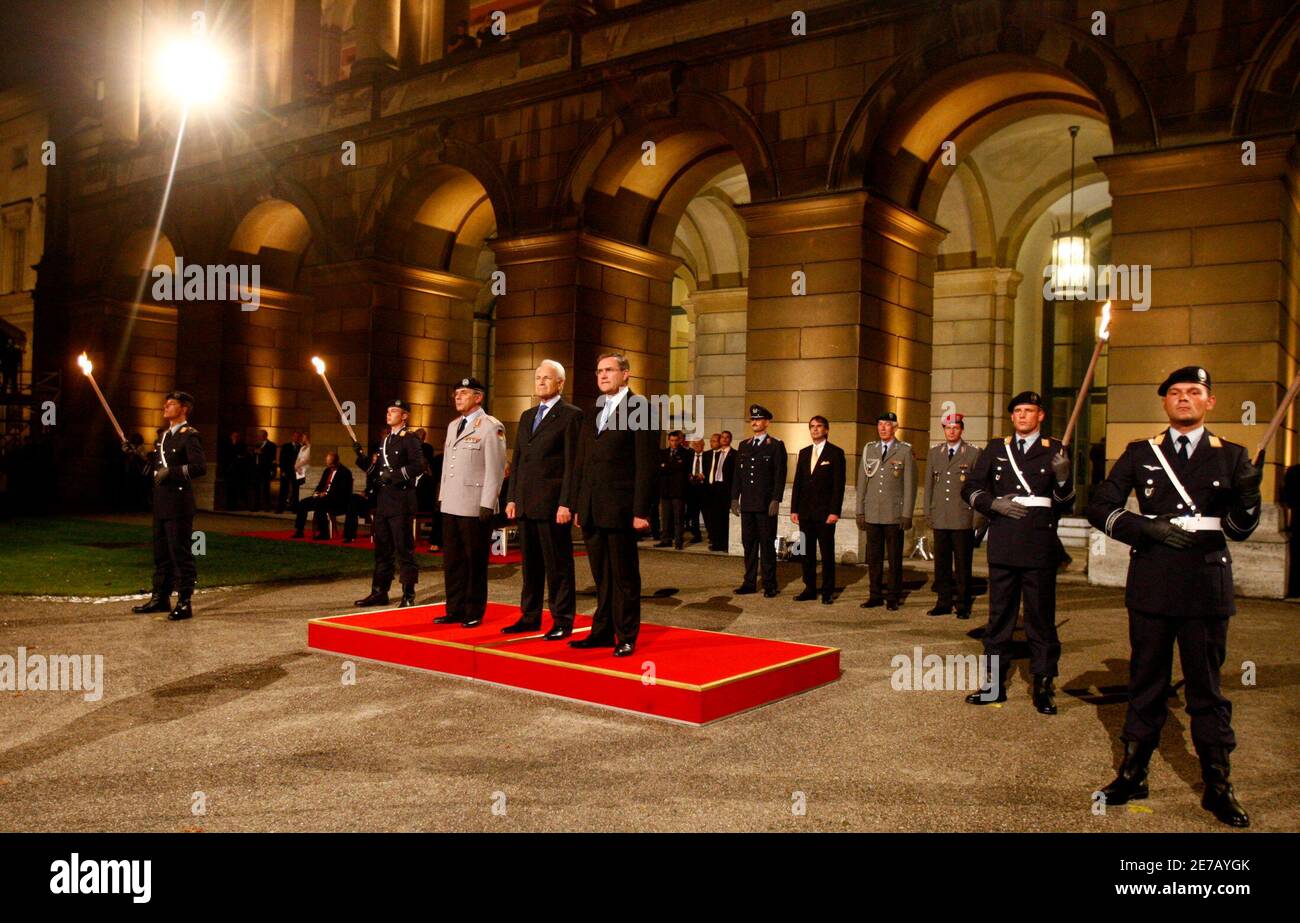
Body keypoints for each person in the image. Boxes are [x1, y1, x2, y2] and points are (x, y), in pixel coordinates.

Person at [1086, 366, 1261, 827]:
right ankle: (1132, 771)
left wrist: (1248, 498)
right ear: (1165, 403)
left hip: (1205, 583)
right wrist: (1145, 526)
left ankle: (1218, 783)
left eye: (1194, 392)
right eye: (1176, 393)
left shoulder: (1233, 456)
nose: (1184, 399)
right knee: (1146, 681)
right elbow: (1099, 505)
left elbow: (1240, 532)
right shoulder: (1141, 453)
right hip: (1154, 578)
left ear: (1210, 402)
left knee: (1206, 688)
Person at [961, 391, 1074, 713]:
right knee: (1000, 618)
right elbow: (969, 488)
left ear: (1040, 416)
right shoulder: (998, 448)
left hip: (1039, 542)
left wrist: (1064, 479)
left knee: (1040, 618)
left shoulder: (1055, 449)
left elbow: (1065, 505)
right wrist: (992, 503)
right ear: (1012, 417)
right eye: (1018, 411)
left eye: (1030, 411)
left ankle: (1043, 684)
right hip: (1004, 541)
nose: (1023, 416)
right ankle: (994, 684)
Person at [570, 353, 657, 657]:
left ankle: (627, 634)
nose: (603, 375)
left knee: (624, 576)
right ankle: (602, 631)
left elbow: (645, 464)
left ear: (626, 375)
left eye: (609, 370)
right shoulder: (594, 408)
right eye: (599, 371)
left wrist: (640, 511)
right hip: (593, 507)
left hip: (621, 508)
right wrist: (580, 504)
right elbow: (583, 461)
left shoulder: (641, 407)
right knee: (601, 576)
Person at [503, 360, 583, 639]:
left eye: (547, 378)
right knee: (531, 566)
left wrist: (567, 503)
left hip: (553, 505)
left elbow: (573, 464)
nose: (540, 382)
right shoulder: (527, 416)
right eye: (538, 378)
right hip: (525, 502)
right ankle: (530, 616)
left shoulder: (571, 415)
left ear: (560, 383)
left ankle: (562, 619)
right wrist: (512, 497)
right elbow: (519, 461)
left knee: (558, 566)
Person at [125, 391, 206, 621]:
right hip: (161, 503)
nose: (165, 406)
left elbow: (199, 467)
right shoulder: (163, 438)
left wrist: (172, 472)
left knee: (180, 553)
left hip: (179, 504)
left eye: (171, 404)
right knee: (161, 554)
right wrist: (134, 455)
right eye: (166, 403)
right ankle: (160, 597)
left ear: (184, 409)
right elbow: (152, 471)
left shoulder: (189, 436)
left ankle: (184, 601)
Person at [434, 378, 506, 627]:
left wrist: (488, 502)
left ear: (478, 397)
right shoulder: (453, 425)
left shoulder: (490, 426)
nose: (458, 397)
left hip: (475, 504)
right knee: (452, 560)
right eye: (456, 393)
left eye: (464, 393)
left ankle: (474, 610)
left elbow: (495, 469)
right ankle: (454, 608)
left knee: (474, 561)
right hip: (452, 502)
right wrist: (442, 497)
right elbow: (447, 467)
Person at [353, 400, 425, 608]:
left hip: (401, 502)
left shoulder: (409, 439)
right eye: (388, 410)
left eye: (394, 411)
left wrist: (393, 475)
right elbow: (376, 473)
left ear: (404, 416)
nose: (389, 414)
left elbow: (418, 466)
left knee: (404, 550)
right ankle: (379, 591)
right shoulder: (385, 442)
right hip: (384, 502)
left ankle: (408, 594)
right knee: (382, 550)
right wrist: (361, 457)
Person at [855, 412, 917, 611]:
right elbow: (862, 483)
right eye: (880, 424)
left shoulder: (904, 451)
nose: (882, 428)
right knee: (873, 558)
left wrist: (907, 513)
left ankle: (893, 596)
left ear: (895, 427)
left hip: (893, 513)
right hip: (872, 511)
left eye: (887, 424)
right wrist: (859, 511)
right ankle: (875, 594)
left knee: (894, 558)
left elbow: (910, 485)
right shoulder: (869, 449)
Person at [924, 412, 981, 618]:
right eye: (948, 428)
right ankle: (943, 602)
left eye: (955, 428)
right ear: (944, 430)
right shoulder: (934, 452)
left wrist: (977, 517)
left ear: (961, 430)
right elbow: (929, 485)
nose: (951, 431)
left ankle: (963, 604)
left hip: (962, 516)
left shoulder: (973, 453)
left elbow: (978, 487)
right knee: (941, 563)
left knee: (963, 564)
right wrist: (927, 511)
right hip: (940, 515)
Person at [731, 404, 786, 597]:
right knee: (749, 544)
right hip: (748, 504)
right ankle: (749, 582)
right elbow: (737, 475)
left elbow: (780, 474)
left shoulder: (776, 445)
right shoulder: (744, 445)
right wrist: (734, 498)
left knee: (767, 544)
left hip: (765, 505)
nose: (754, 422)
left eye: (758, 419)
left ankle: (770, 584)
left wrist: (776, 499)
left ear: (767, 422)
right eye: (752, 419)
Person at [790, 415, 845, 604]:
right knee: (806, 552)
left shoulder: (835, 453)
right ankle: (810, 587)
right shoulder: (804, 452)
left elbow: (839, 485)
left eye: (819, 426)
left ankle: (828, 590)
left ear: (826, 430)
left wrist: (835, 511)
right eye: (812, 426)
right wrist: (794, 509)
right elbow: (798, 482)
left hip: (825, 514)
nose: (815, 429)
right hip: (805, 513)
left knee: (827, 552)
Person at [293, 451, 353, 538]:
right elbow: (321, 485)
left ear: (337, 462)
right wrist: (316, 492)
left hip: (336, 500)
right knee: (303, 503)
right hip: (322, 497)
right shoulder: (327, 470)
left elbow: (342, 491)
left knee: (320, 505)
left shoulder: (345, 472)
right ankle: (299, 531)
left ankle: (324, 533)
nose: (329, 467)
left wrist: (326, 494)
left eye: (331, 465)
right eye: (328, 464)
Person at [656, 430, 690, 548]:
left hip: (678, 491)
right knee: (666, 517)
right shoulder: (663, 453)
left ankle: (678, 541)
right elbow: (659, 469)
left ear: (679, 440)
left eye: (676, 440)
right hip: (665, 490)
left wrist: (667, 466)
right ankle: (666, 539)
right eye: (671, 440)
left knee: (678, 517)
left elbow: (681, 468)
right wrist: (670, 466)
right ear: (668, 440)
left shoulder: (685, 453)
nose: (674, 443)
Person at [343, 448, 380, 543]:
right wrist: (365, 492)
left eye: (375, 459)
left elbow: (379, 487)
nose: (373, 460)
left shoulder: (380, 470)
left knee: (354, 501)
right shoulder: (371, 471)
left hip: (378, 501)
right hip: (369, 499)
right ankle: (349, 535)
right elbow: (370, 486)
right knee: (352, 500)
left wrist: (368, 494)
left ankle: (350, 535)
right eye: (373, 458)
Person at [707, 430, 736, 550]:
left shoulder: (735, 454)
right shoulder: (717, 454)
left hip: (727, 488)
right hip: (716, 487)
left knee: (725, 518)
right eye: (722, 437)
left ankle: (725, 544)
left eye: (727, 437)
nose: (724, 439)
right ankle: (717, 542)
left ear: (730, 440)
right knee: (716, 517)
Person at [685, 438, 707, 543]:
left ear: (703, 445)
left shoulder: (708, 456)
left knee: (706, 513)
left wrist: (704, 476)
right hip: (692, 488)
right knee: (693, 513)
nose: (697, 446)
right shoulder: (689, 456)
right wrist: (689, 476)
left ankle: (711, 535)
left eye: (699, 444)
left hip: (704, 488)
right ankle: (696, 535)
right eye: (695, 445)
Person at [221, 430, 248, 510]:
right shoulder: (226, 444)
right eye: (234, 436)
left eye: (237, 436)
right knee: (228, 488)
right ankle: (228, 505)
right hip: (229, 469)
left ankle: (234, 505)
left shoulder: (241, 445)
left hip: (238, 470)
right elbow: (225, 455)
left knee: (236, 488)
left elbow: (243, 455)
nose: (235, 437)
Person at [252, 429, 276, 511]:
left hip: (265, 469)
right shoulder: (257, 444)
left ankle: (266, 506)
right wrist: (255, 452)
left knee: (266, 488)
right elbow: (253, 455)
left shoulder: (271, 445)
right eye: (258, 435)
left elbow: (272, 457)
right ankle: (256, 506)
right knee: (256, 488)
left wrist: (261, 453)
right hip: (256, 469)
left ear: (265, 436)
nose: (259, 437)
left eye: (260, 435)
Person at [277, 431, 300, 512]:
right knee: (283, 489)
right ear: (292, 437)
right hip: (286, 471)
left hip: (296, 472)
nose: (296, 438)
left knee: (295, 490)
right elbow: (282, 459)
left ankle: (294, 508)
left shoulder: (301, 447)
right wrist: (282, 470)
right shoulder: (286, 446)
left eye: (298, 437)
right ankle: (280, 508)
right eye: (295, 436)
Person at [294, 431, 312, 508]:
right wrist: (296, 466)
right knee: (297, 489)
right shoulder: (302, 448)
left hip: (305, 470)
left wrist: (299, 465)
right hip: (299, 470)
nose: (302, 438)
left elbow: (307, 459)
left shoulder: (311, 447)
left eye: (303, 437)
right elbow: (298, 458)